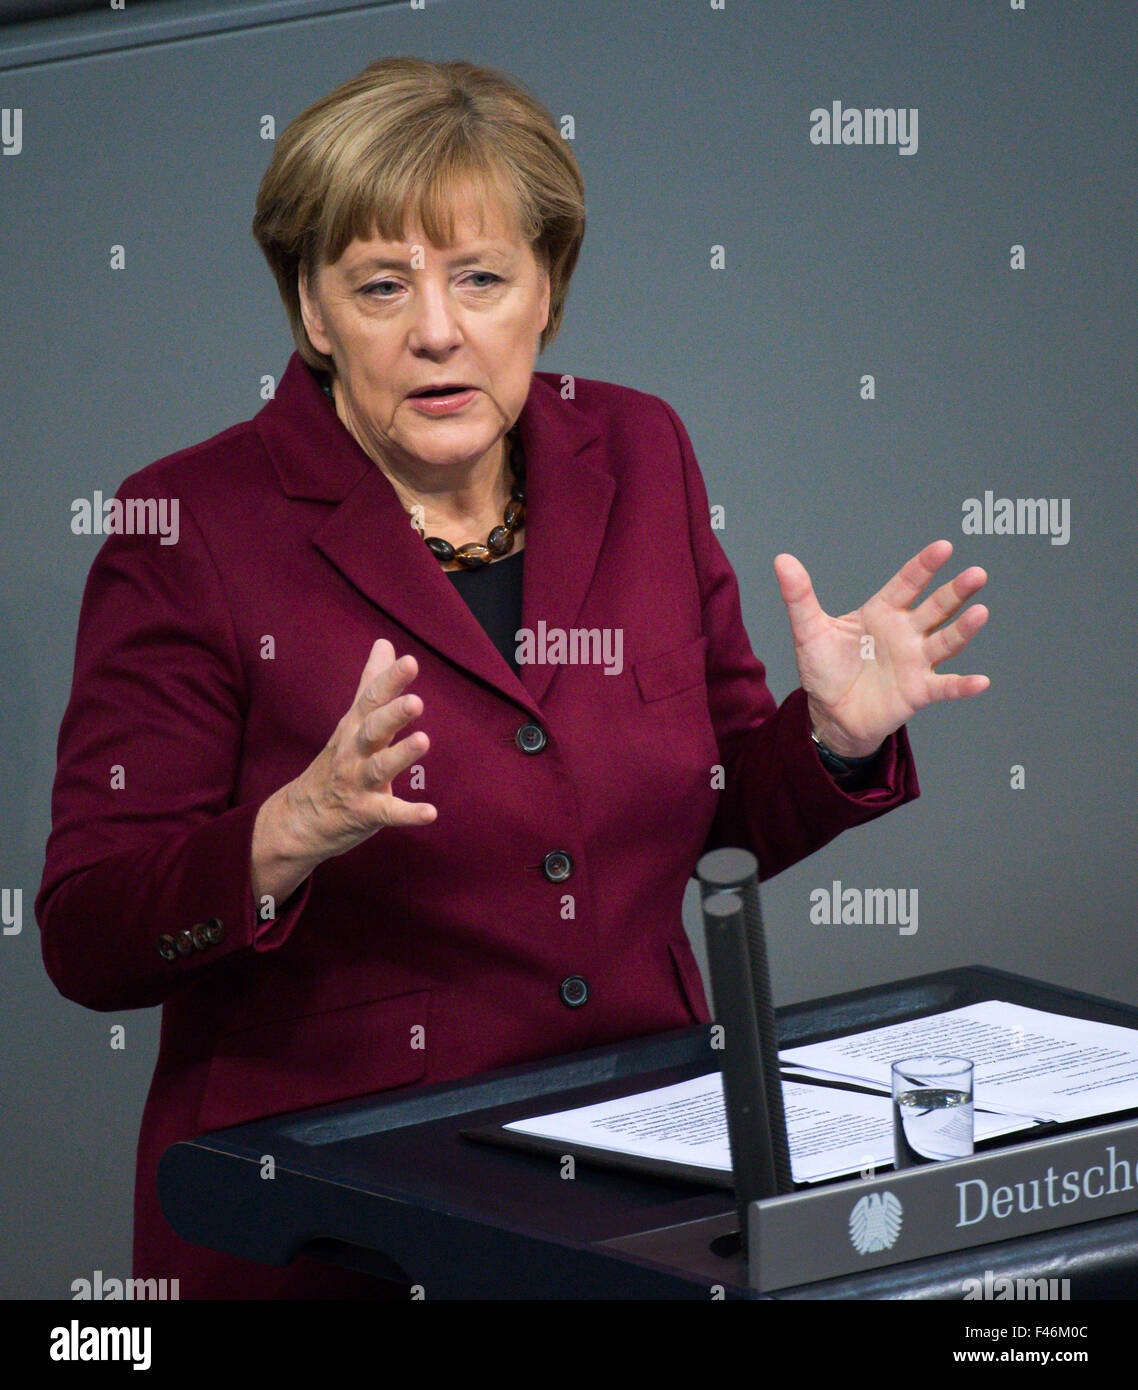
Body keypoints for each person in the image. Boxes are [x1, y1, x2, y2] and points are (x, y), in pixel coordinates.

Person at [35, 56, 988, 1300]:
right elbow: (87, 933)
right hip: (345, 1227)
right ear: (313, 312)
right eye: (382, 285)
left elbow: (711, 814)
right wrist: (286, 833)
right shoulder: (190, 523)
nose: (438, 327)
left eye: (480, 277)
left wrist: (832, 740)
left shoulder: (639, 450)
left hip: (649, 1190)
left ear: (545, 292)